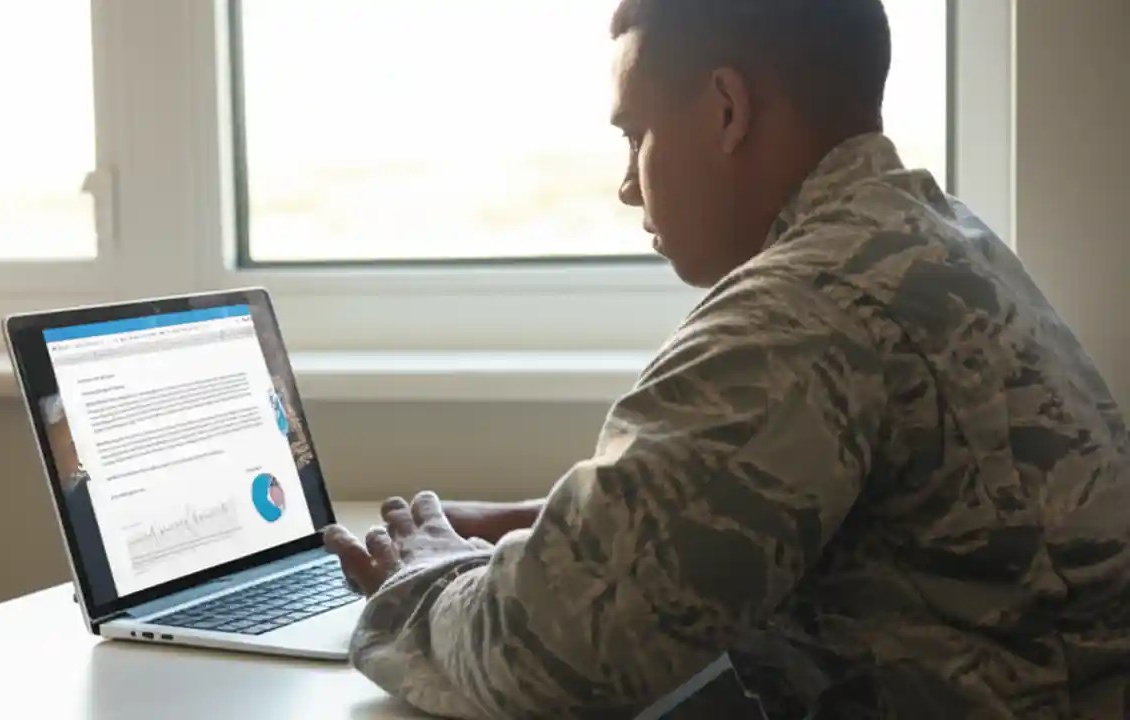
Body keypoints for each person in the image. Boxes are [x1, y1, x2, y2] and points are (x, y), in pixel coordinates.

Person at [323, 0, 1130, 717]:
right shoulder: (937, 239)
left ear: (725, 110)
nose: (628, 187)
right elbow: (795, 499)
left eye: (636, 134)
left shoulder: (805, 307)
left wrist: (420, 576)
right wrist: (560, 527)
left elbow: (548, 656)